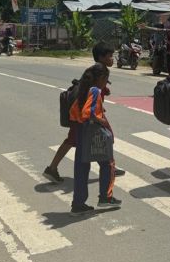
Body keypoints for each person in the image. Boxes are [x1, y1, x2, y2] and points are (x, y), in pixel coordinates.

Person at [44, 41, 126, 182]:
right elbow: (92, 92)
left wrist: (104, 91)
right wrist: (94, 113)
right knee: (103, 137)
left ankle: (109, 166)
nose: (112, 59)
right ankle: (52, 168)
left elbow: (91, 88)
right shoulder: (101, 70)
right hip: (85, 114)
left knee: (97, 138)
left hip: (84, 112)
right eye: (110, 56)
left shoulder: (96, 69)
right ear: (101, 57)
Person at [70, 63, 121, 216]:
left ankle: (78, 204)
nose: (106, 84)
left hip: (81, 130)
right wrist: (102, 121)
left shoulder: (83, 89)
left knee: (81, 167)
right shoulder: (95, 90)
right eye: (106, 80)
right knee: (107, 163)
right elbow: (89, 112)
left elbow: (74, 110)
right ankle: (105, 197)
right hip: (92, 131)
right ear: (101, 78)